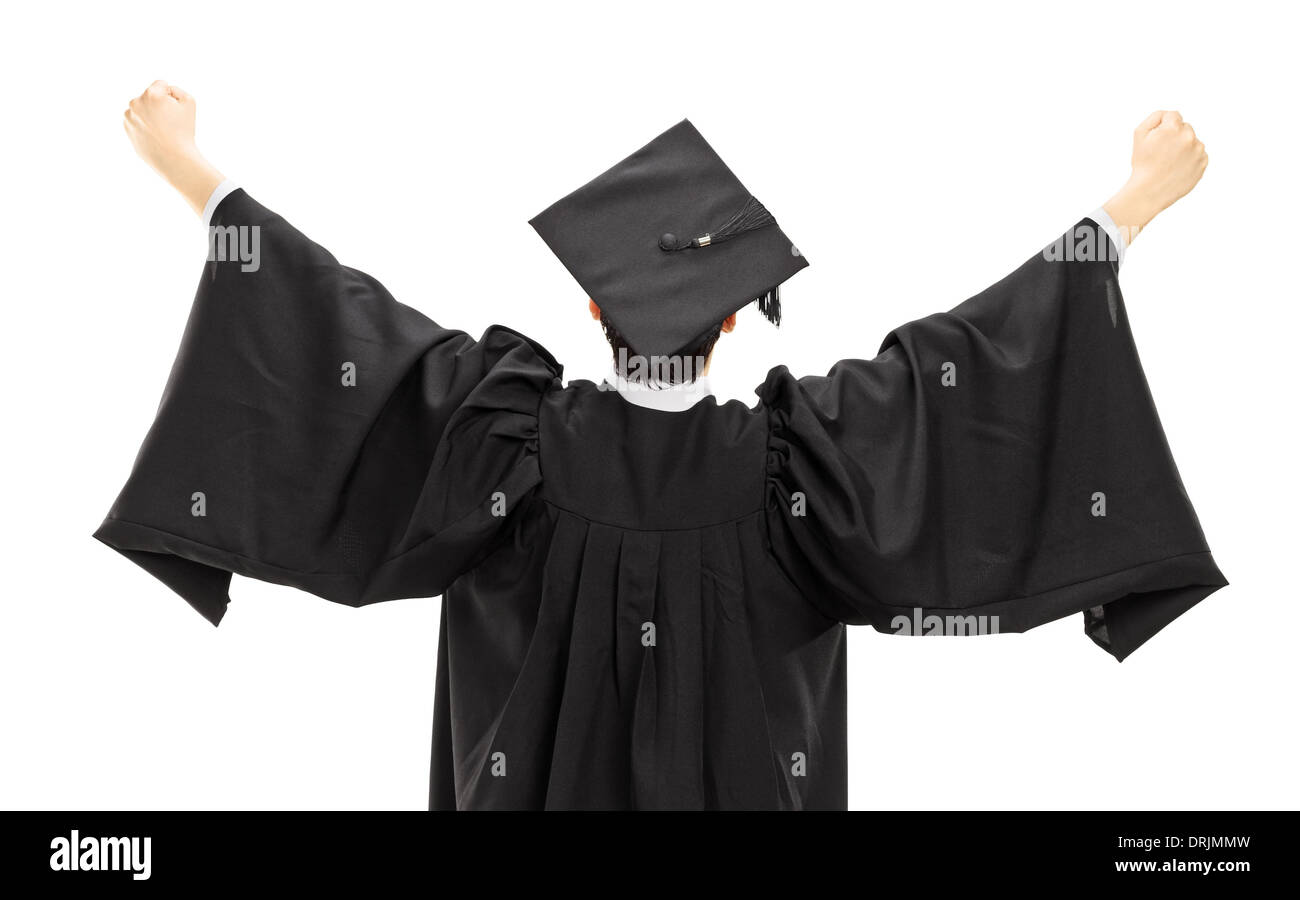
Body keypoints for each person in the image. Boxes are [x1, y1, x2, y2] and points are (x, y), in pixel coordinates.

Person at [98, 81, 1225, 810]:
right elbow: (982, 362)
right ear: (736, 319)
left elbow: (328, 317)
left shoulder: (499, 445)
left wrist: (198, 177)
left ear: (593, 313)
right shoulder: (813, 465)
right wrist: (1125, 209)